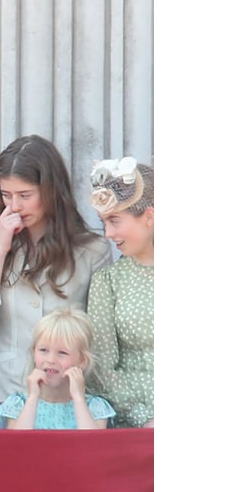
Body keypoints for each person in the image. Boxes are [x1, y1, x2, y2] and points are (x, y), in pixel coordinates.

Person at [0, 135, 112, 420]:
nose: (14, 205)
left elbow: (100, 336)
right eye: (6, 195)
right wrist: (0, 250)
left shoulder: (93, 250)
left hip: (66, 401)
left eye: (25, 195)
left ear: (51, 191)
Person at [86, 157, 154, 428]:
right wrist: (145, 419)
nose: (107, 233)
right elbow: (101, 369)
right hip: (135, 430)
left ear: (149, 216)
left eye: (114, 221)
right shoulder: (108, 281)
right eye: (103, 222)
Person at [0, 307, 115, 429]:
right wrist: (32, 398)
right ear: (34, 353)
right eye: (43, 350)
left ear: (82, 360)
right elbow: (16, 444)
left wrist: (78, 398)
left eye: (62, 353)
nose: (51, 360)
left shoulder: (94, 406)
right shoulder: (18, 403)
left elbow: (93, 445)